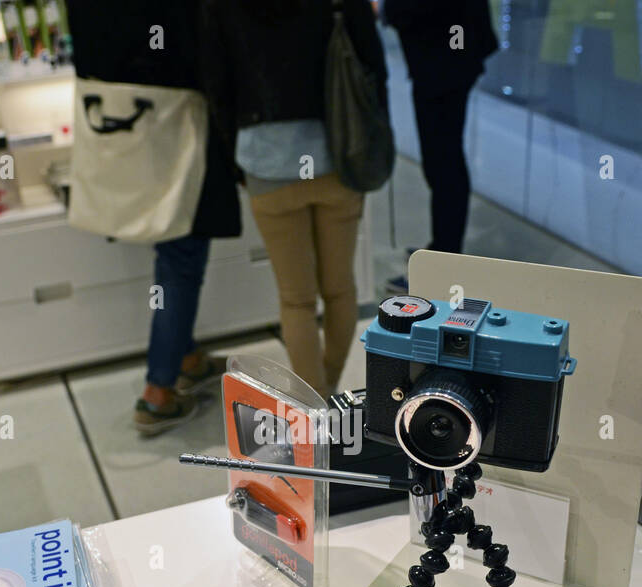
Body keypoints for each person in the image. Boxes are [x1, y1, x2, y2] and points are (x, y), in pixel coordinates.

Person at [68, 2, 242, 434]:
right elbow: (188, 46)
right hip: (174, 122)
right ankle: (157, 392)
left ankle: (185, 358)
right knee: (181, 254)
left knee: (171, 248)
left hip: (116, 120)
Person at [200, 0, 387, 396]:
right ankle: (327, 396)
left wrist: (238, 165)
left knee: (296, 301)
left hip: (266, 162)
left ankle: (313, 409)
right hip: (338, 156)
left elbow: (217, 86)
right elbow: (375, 68)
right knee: (340, 289)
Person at [382, 0, 497, 294]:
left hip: (443, 63)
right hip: (446, 58)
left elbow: (423, 10)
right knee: (442, 160)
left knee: (443, 162)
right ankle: (443, 250)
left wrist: (385, 10)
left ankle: (445, 262)